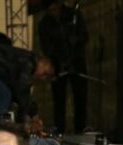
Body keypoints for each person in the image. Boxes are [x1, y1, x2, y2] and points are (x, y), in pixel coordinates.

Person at [38, 0, 89, 133]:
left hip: (77, 61)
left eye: (54, 8)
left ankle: (80, 129)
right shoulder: (45, 23)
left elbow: (84, 36)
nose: (52, 12)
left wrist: (75, 44)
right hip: (57, 64)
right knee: (59, 99)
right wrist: (57, 60)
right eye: (50, 10)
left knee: (80, 97)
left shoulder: (74, 15)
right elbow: (45, 46)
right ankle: (59, 130)